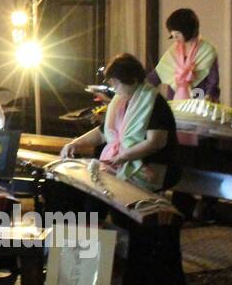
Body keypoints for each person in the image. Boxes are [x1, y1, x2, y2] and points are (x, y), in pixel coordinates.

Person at [59, 53, 179, 191]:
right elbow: (103, 133)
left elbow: (156, 142)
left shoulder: (154, 103)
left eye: (116, 83)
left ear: (132, 81)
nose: (114, 88)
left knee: (103, 190)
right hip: (123, 162)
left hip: (153, 167)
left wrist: (123, 156)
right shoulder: (121, 101)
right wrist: (75, 143)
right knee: (86, 187)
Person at [147, 8, 219, 100]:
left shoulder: (207, 52)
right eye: (173, 35)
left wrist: (209, 96)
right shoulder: (172, 52)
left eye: (177, 34)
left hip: (199, 102)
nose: (174, 38)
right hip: (174, 103)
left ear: (187, 31)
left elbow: (213, 81)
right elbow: (155, 77)